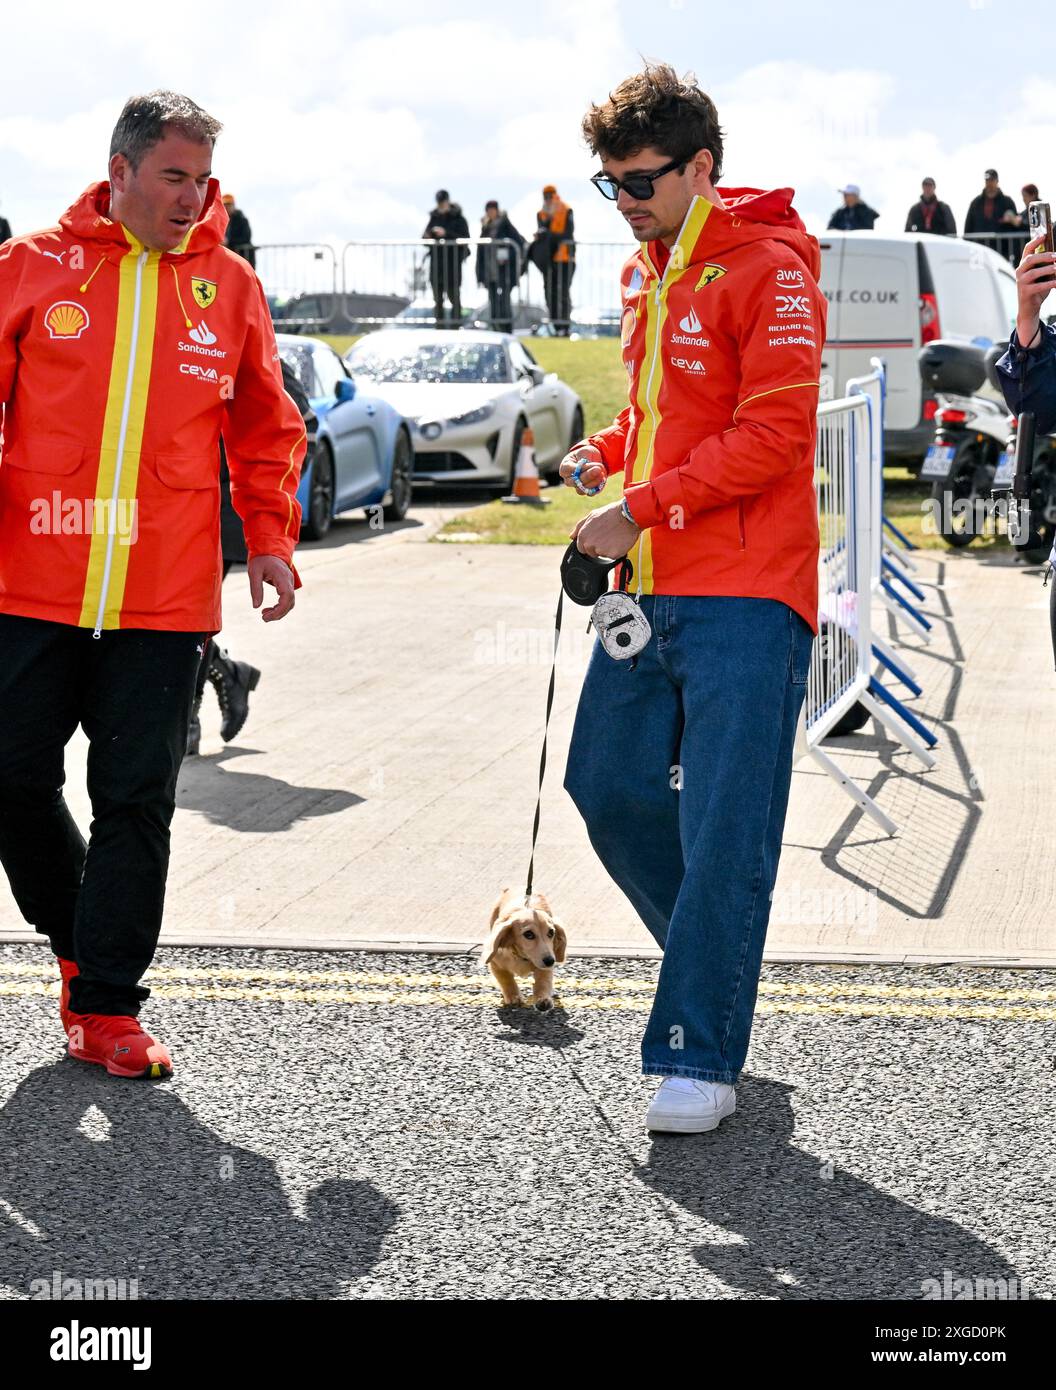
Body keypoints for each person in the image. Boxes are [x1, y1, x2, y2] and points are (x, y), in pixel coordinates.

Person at [0, 91, 306, 1078]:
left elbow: (266, 427)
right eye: (173, 176)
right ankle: (79, 933)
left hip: (164, 596)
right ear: (121, 169)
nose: (190, 198)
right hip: (30, 582)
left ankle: (108, 1009)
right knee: (10, 776)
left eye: (202, 180)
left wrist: (269, 538)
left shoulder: (230, 286)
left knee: (137, 797)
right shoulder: (31, 267)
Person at [561, 62, 822, 1134]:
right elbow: (676, 418)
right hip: (655, 585)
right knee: (607, 786)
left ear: (700, 168)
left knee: (724, 831)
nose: (623, 202)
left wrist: (637, 507)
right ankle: (716, 972)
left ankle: (699, 1049)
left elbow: (773, 435)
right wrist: (609, 453)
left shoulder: (772, 265)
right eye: (608, 183)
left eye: (639, 181)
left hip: (749, 600)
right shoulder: (653, 273)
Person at [186, 359, 316, 756]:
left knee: (187, 614)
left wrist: (264, 520)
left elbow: (291, 428)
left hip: (220, 501)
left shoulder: (249, 343)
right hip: (160, 503)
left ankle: (184, 717)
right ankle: (226, 672)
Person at [476, 200, 525, 333]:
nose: (491, 212)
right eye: (488, 210)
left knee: (504, 300)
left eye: (493, 209)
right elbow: (480, 252)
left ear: (497, 210)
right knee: (493, 301)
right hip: (490, 271)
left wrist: (506, 255)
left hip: (505, 271)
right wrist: (479, 273)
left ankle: (507, 328)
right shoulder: (485, 228)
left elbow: (518, 243)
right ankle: (496, 327)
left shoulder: (505, 225)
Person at [423, 189, 469, 327]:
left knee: (453, 296)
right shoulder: (434, 218)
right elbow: (424, 238)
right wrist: (430, 235)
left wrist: (446, 233)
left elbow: (465, 238)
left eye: (443, 202)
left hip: (453, 264)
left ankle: (456, 326)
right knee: (437, 298)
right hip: (436, 264)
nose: (441, 205)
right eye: (439, 203)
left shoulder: (459, 218)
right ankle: (440, 326)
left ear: (448, 201)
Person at [533, 184, 575, 332]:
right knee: (549, 292)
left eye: (551, 196)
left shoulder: (566, 210)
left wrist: (548, 235)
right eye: (546, 197)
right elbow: (542, 232)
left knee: (563, 292)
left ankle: (564, 326)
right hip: (548, 259)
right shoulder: (541, 213)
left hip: (564, 258)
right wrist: (548, 221)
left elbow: (567, 234)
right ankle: (555, 325)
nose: (548, 199)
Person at [964, 169, 1019, 259]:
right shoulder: (976, 202)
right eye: (987, 180)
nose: (989, 183)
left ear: (997, 181)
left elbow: (1015, 225)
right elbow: (968, 225)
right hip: (979, 249)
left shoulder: (1007, 201)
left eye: (992, 180)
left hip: (1002, 250)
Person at [221, 191, 255, 268]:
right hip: (231, 259)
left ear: (233, 205)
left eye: (229, 205)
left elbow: (246, 237)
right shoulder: (221, 220)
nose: (227, 207)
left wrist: (228, 242)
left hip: (244, 257)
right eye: (225, 205)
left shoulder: (242, 219)